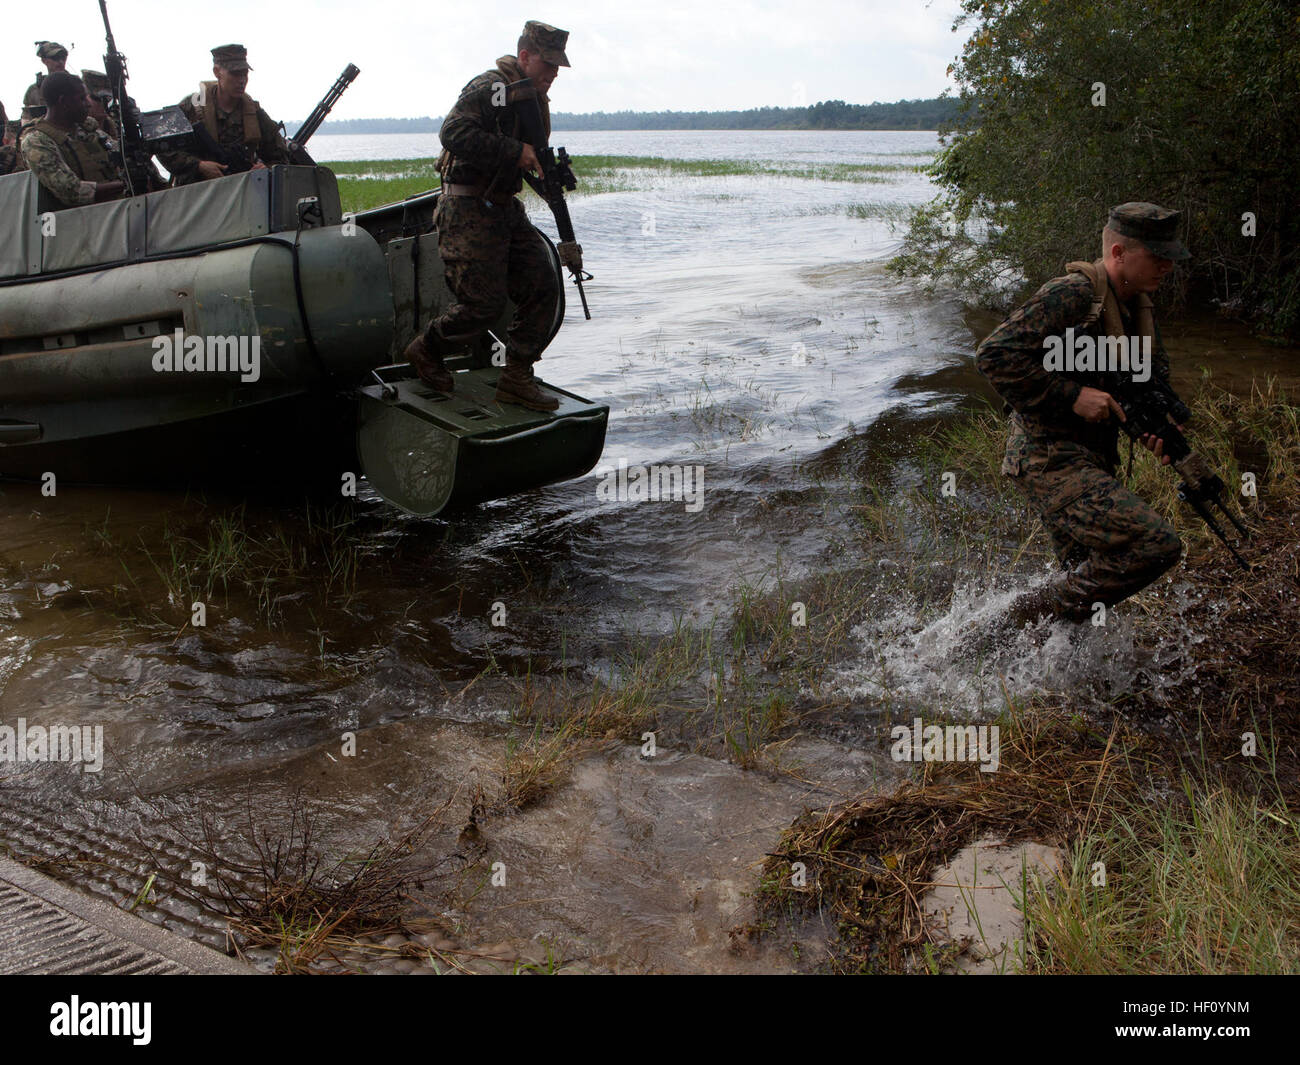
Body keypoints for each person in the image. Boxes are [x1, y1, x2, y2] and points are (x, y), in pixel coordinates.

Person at [975, 202, 1191, 626]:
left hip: (1091, 458)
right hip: (1047, 456)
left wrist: (1157, 425)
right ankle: (1019, 617)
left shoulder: (1138, 309)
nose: (1168, 266)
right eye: (1157, 256)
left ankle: (1052, 666)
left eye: (1170, 257)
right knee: (1155, 543)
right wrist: (1071, 395)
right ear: (1118, 254)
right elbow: (993, 354)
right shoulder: (1073, 294)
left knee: (1086, 572)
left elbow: (1147, 381)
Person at [405, 19, 580, 411]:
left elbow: (527, 153)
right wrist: (514, 151)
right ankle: (426, 348)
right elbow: (452, 133)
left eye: (557, 66)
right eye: (547, 64)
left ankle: (516, 376)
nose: (553, 73)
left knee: (542, 282)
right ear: (524, 57)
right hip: (465, 207)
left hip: (503, 208)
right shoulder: (493, 88)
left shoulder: (534, 101)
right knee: (483, 305)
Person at [157, 44, 289, 185]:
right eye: (235, 74)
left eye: (244, 74)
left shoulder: (254, 112)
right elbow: (162, 147)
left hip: (242, 192)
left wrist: (265, 169)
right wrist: (198, 166)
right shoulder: (192, 106)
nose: (242, 80)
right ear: (217, 72)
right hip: (198, 195)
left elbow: (281, 156)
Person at [21, 71, 125, 208]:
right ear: (63, 102)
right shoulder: (37, 142)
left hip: (117, 210)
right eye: (82, 98)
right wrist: (125, 185)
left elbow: (121, 154)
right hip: (80, 221)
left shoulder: (87, 130)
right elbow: (73, 192)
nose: (88, 104)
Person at [22, 41, 70, 129]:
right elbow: (26, 120)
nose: (60, 62)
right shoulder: (34, 91)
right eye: (55, 58)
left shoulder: (77, 86)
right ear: (44, 60)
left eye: (63, 58)